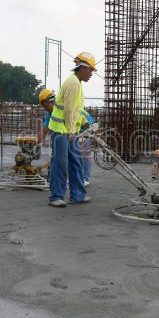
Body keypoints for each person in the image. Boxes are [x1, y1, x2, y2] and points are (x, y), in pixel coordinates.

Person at [47, 52, 96, 207]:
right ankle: (56, 197)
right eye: (90, 70)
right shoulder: (73, 83)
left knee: (75, 163)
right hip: (61, 131)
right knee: (60, 163)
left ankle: (78, 195)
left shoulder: (77, 83)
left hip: (68, 131)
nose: (91, 74)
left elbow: (77, 110)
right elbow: (68, 110)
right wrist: (70, 131)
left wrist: (85, 123)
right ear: (82, 68)